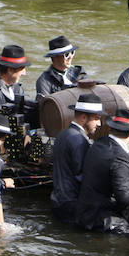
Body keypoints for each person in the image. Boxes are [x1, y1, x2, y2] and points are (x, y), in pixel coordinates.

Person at [75, 112, 129, 233]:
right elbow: (124, 196)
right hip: (104, 220)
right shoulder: (120, 158)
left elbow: (112, 173)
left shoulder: (99, 144)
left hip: (84, 213)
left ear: (110, 129)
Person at [50, 92, 104, 222]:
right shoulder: (79, 140)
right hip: (72, 205)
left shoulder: (63, 134)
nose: (99, 124)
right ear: (83, 117)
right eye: (96, 118)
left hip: (58, 201)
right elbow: (82, 176)